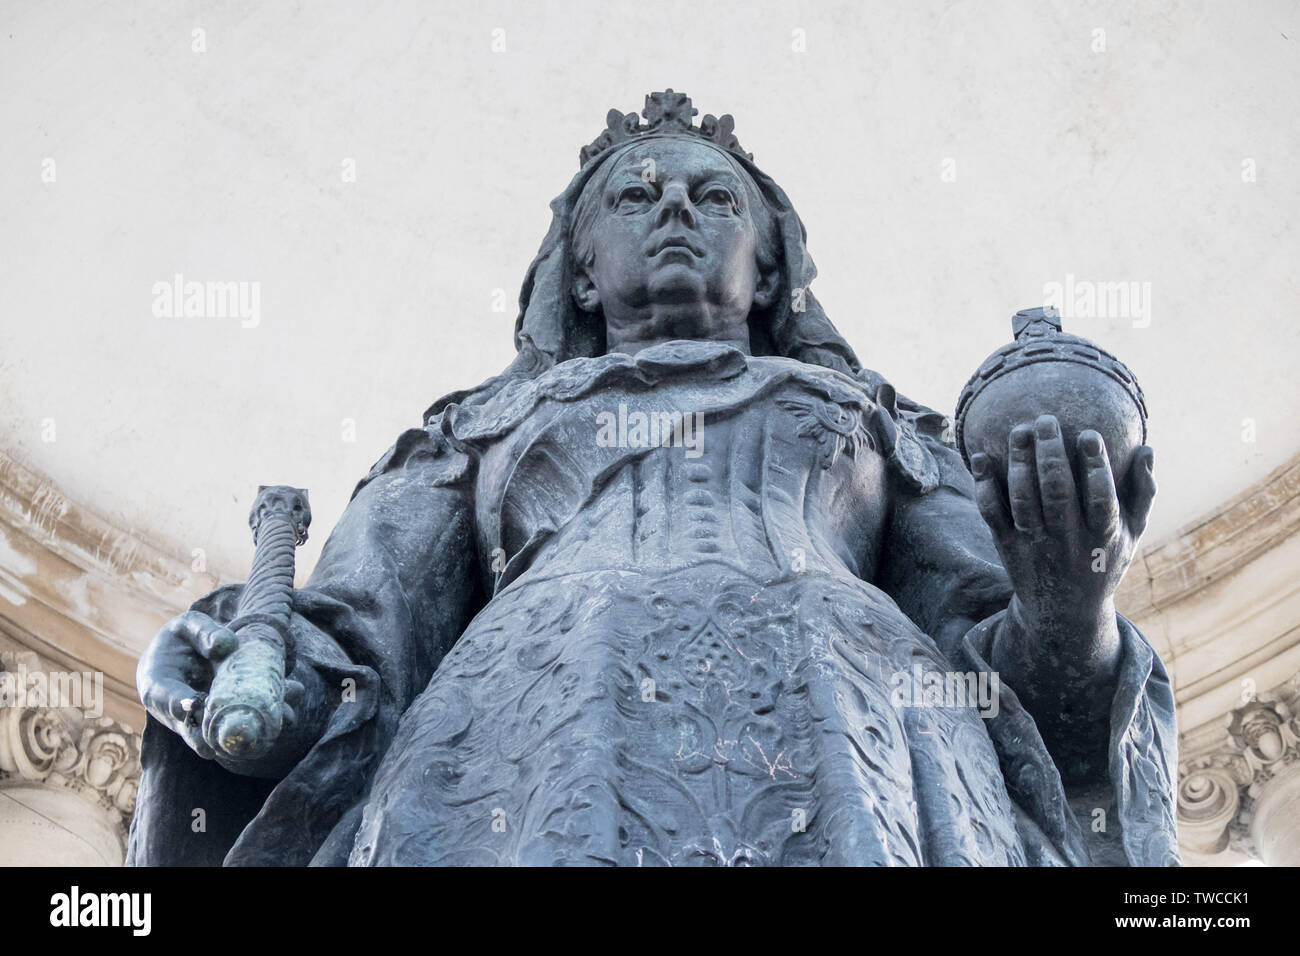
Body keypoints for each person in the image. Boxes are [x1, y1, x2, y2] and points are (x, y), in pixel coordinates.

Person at [129, 92, 1177, 866]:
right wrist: (245, 649)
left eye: (711, 196)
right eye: (636, 195)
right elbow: (359, 646)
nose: (673, 206)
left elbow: (1023, 693)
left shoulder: (882, 425)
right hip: (523, 737)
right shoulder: (471, 430)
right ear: (581, 269)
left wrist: (1068, 600)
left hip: (858, 734)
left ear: (767, 267)